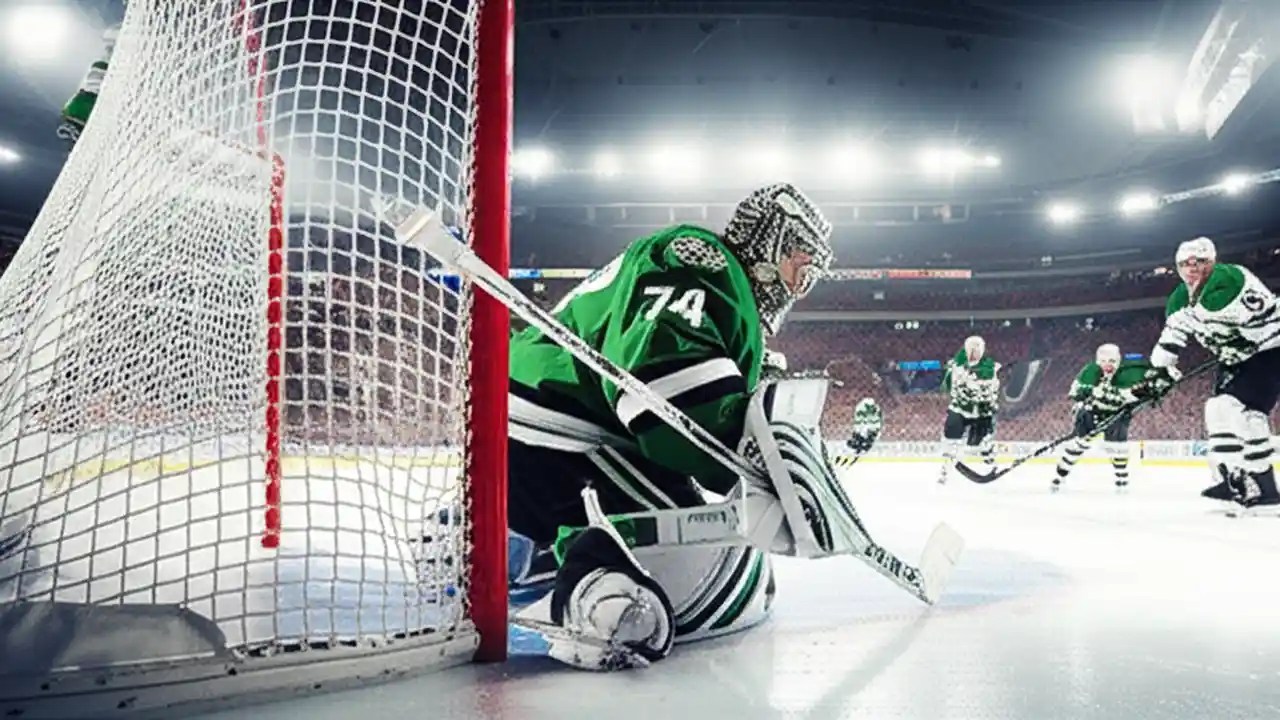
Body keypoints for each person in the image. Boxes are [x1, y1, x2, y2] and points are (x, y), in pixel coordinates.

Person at [505, 183, 869, 671]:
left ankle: (514, 544)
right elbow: (660, 391)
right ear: (772, 242)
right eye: (798, 266)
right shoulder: (702, 260)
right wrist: (753, 451)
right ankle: (598, 596)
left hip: (537, 420)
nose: (797, 285)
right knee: (714, 555)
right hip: (552, 423)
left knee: (704, 528)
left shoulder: (715, 283)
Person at [1146, 236, 1280, 511]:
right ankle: (1236, 481)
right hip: (1236, 358)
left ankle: (1254, 483)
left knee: (1238, 412)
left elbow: (1219, 313)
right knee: (1221, 412)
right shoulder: (1180, 297)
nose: (1192, 268)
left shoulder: (1229, 278)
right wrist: (1160, 371)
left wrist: (1188, 321)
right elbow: (1172, 335)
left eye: (1200, 262)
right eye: (1185, 263)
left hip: (1270, 351)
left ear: (1213, 261)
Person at [1052, 344, 1149, 493]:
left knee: (1118, 448)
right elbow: (1076, 391)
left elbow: (1134, 395)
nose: (1107, 365)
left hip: (1116, 414)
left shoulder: (1126, 374)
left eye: (1111, 360)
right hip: (1091, 412)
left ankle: (1121, 480)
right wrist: (1086, 394)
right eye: (1103, 361)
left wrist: (1139, 395)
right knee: (1079, 444)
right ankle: (1060, 476)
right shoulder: (1090, 371)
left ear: (1118, 360)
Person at [936, 335, 1000, 484]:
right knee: (951, 437)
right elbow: (946, 386)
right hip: (960, 409)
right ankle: (945, 468)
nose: (974, 352)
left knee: (980, 440)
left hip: (982, 411)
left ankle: (989, 458)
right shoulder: (957, 364)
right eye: (972, 348)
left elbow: (989, 383)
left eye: (978, 349)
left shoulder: (988, 366)